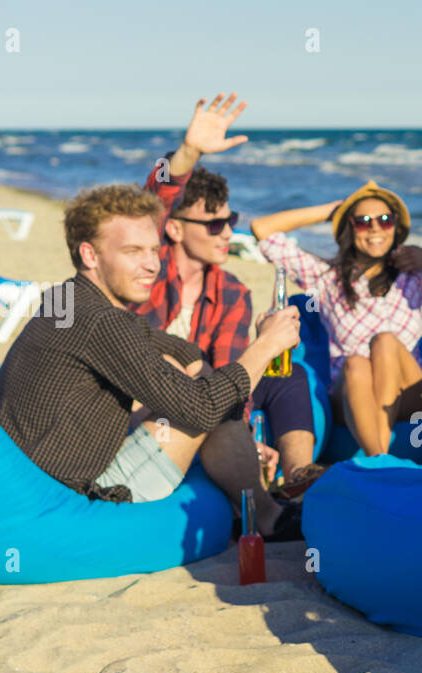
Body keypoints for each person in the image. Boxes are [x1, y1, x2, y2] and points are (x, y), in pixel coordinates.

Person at [0, 183, 303, 540]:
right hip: (67, 498)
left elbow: (180, 349)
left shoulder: (69, 298)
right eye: (133, 251)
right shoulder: (101, 321)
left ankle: (257, 509)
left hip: (30, 480)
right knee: (208, 410)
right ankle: (267, 517)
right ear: (90, 255)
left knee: (198, 390)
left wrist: (197, 374)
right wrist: (265, 346)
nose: (152, 265)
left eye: (155, 250)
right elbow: (203, 410)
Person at [134, 93, 322, 504]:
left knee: (289, 374)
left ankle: (299, 478)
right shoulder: (146, 272)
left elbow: (231, 375)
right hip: (154, 388)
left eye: (231, 221)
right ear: (174, 229)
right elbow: (152, 203)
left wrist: (243, 435)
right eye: (214, 224)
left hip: (209, 390)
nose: (227, 233)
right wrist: (189, 152)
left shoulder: (232, 291)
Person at [249, 183, 422, 456]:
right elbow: (262, 230)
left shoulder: (414, 275)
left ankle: (376, 458)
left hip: (408, 393)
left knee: (384, 341)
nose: (374, 228)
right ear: (349, 228)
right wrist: (333, 211)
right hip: (351, 396)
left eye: (385, 220)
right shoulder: (325, 278)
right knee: (355, 363)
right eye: (362, 221)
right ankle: (379, 457)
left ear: (396, 228)